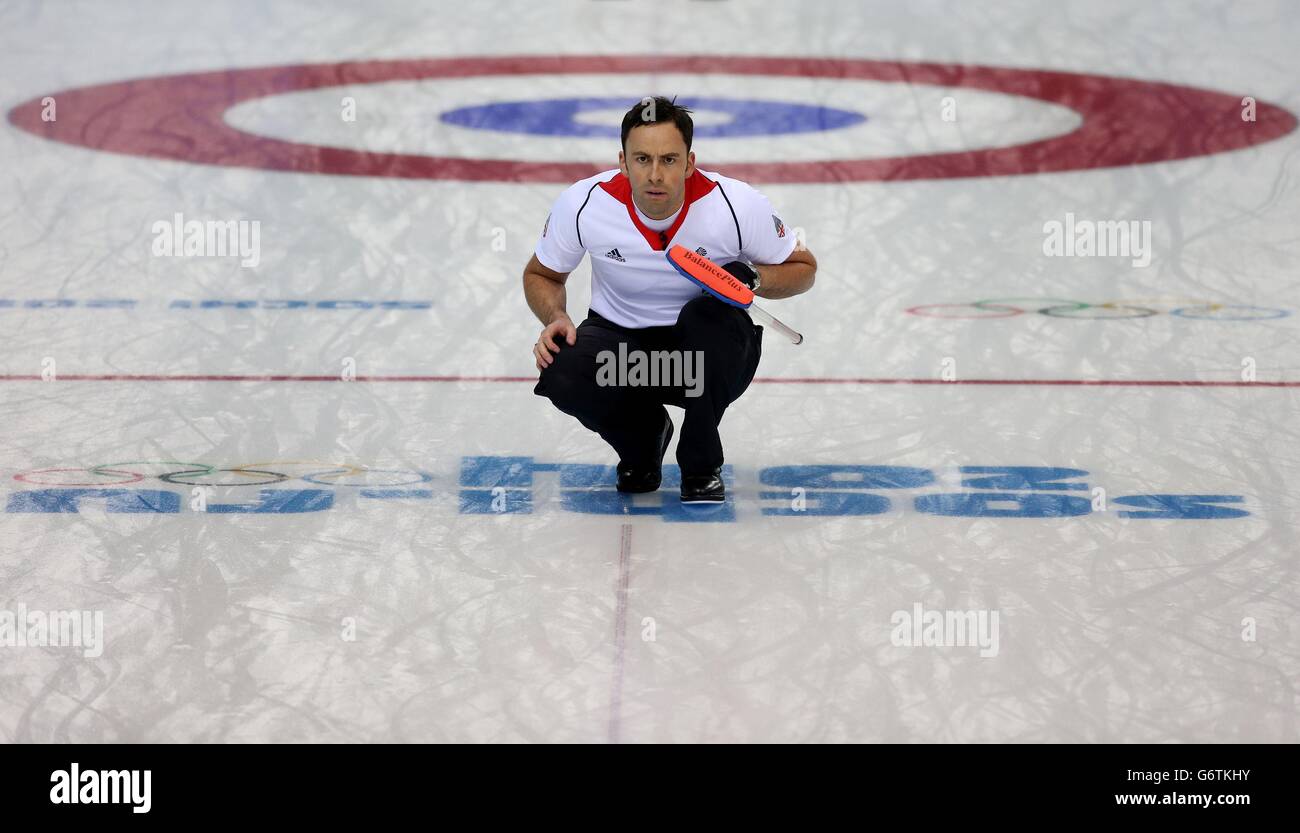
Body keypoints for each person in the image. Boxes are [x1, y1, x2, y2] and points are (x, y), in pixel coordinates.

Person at [524, 96, 816, 503]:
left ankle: (701, 464)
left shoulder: (736, 204)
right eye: (642, 159)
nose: (656, 174)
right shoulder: (584, 203)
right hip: (623, 352)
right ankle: (643, 440)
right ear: (623, 162)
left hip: (709, 354)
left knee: (706, 319)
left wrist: (754, 277)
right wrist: (555, 315)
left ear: (690, 162)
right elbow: (542, 274)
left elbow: (804, 267)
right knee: (563, 369)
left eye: (669, 159)